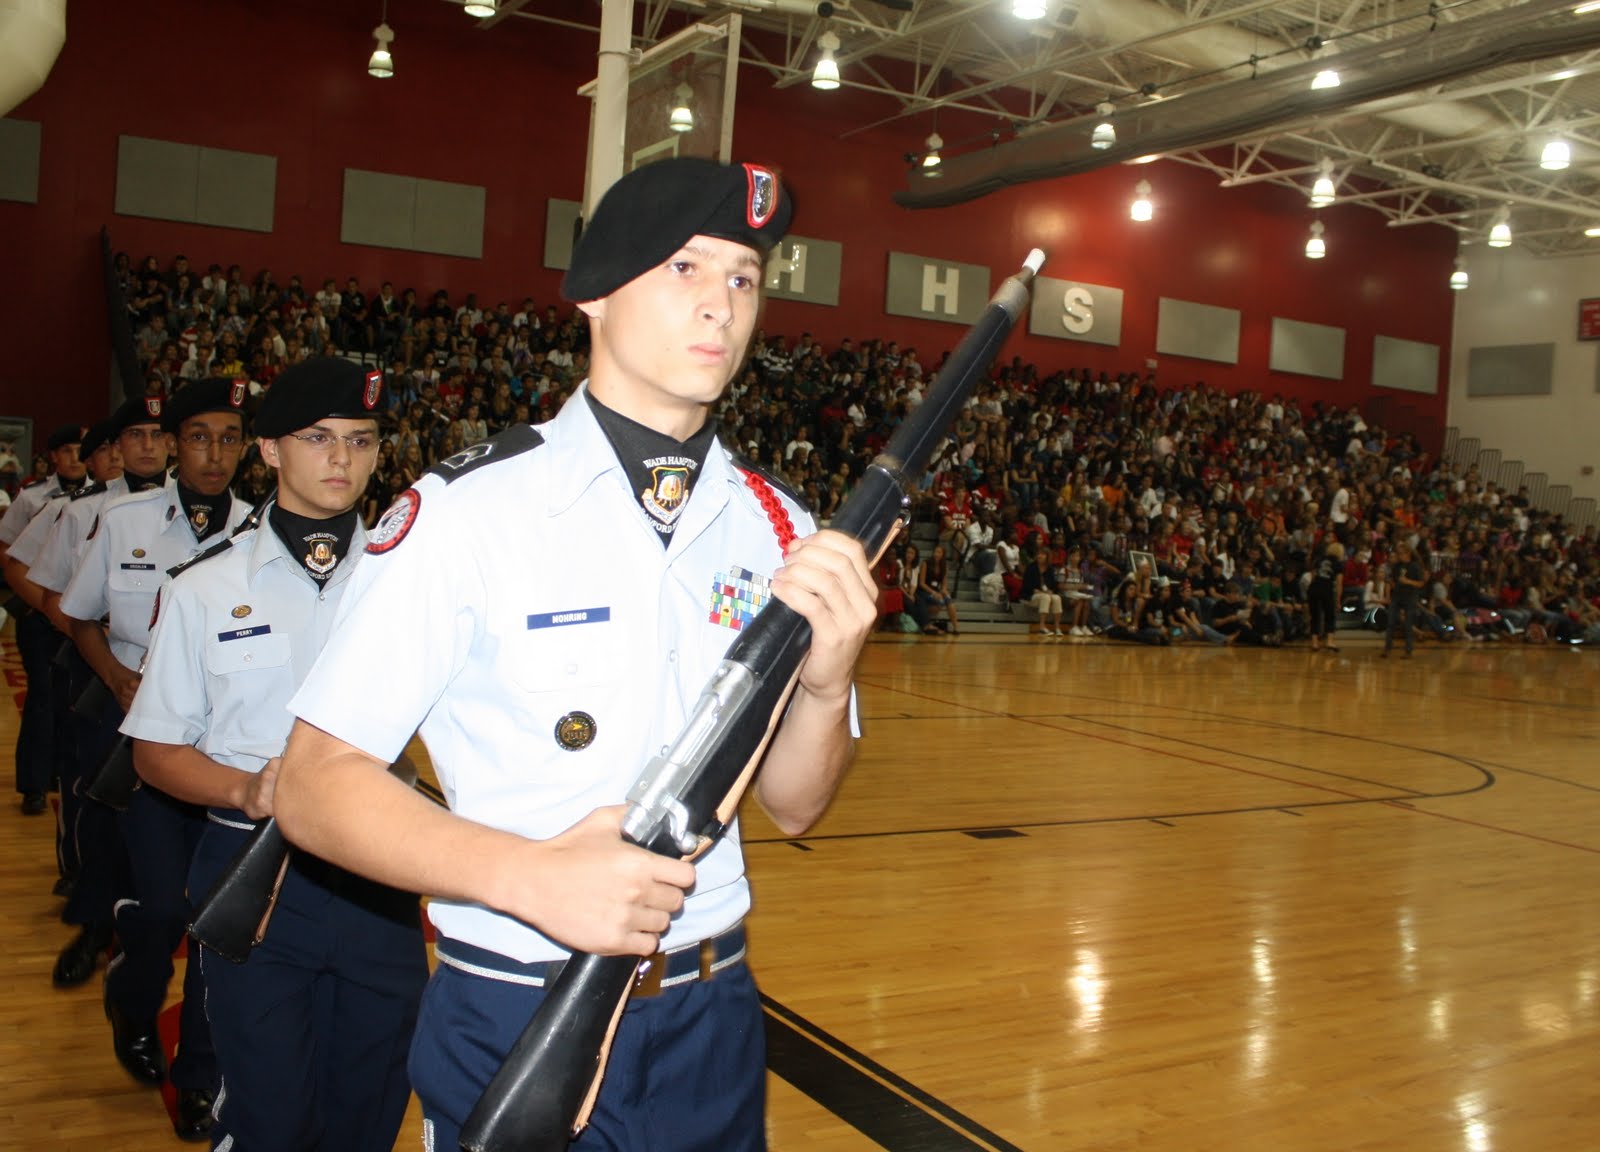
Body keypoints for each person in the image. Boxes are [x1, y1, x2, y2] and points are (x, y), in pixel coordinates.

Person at [273, 157, 880, 1152]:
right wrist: (528, 876)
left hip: (711, 1016)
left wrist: (826, 683)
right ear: (594, 292)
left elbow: (798, 806)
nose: (720, 306)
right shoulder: (468, 514)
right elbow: (313, 783)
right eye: (684, 269)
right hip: (517, 1005)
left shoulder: (780, 526)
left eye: (742, 278)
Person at [122, 359, 427, 1151]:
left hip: (377, 881)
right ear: (268, 451)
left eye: (359, 441)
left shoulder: (414, 586)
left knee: (367, 1116)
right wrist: (247, 791)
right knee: (270, 1120)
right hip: (252, 876)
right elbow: (155, 751)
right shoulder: (204, 588)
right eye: (317, 438)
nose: (341, 459)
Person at [60, 379, 251, 1141]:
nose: (215, 453)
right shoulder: (125, 519)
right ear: (173, 443)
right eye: (200, 436)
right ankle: (132, 999)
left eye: (230, 437)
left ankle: (198, 1074)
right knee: (164, 908)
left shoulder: (259, 531)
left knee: (211, 919)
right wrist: (116, 677)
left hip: (223, 745)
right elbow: (79, 618)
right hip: (143, 740)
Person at [1, 424, 89, 814]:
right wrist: (43, 606)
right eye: (66, 450)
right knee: (40, 696)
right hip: (39, 611)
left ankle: (63, 772)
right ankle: (34, 784)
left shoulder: (104, 497)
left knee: (73, 699)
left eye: (79, 450)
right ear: (53, 456)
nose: (74, 457)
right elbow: (9, 554)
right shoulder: (33, 497)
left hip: (82, 615)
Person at [1384, 539, 1426, 658]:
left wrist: (1408, 581)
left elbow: (1421, 583)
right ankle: (1387, 648)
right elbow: (1393, 579)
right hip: (1397, 596)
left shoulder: (1415, 567)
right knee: (1390, 622)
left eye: (1401, 553)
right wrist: (1392, 583)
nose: (1399, 556)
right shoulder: (1397, 566)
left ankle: (1408, 650)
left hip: (1410, 597)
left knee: (1408, 624)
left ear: (1408, 554)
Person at [1307, 538, 1344, 652]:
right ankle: (1330, 641)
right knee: (1330, 616)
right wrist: (1338, 600)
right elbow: (1339, 583)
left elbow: (1313, 575)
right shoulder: (1338, 564)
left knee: (1315, 616)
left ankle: (1314, 642)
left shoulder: (1320, 559)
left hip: (1314, 588)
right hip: (1326, 589)